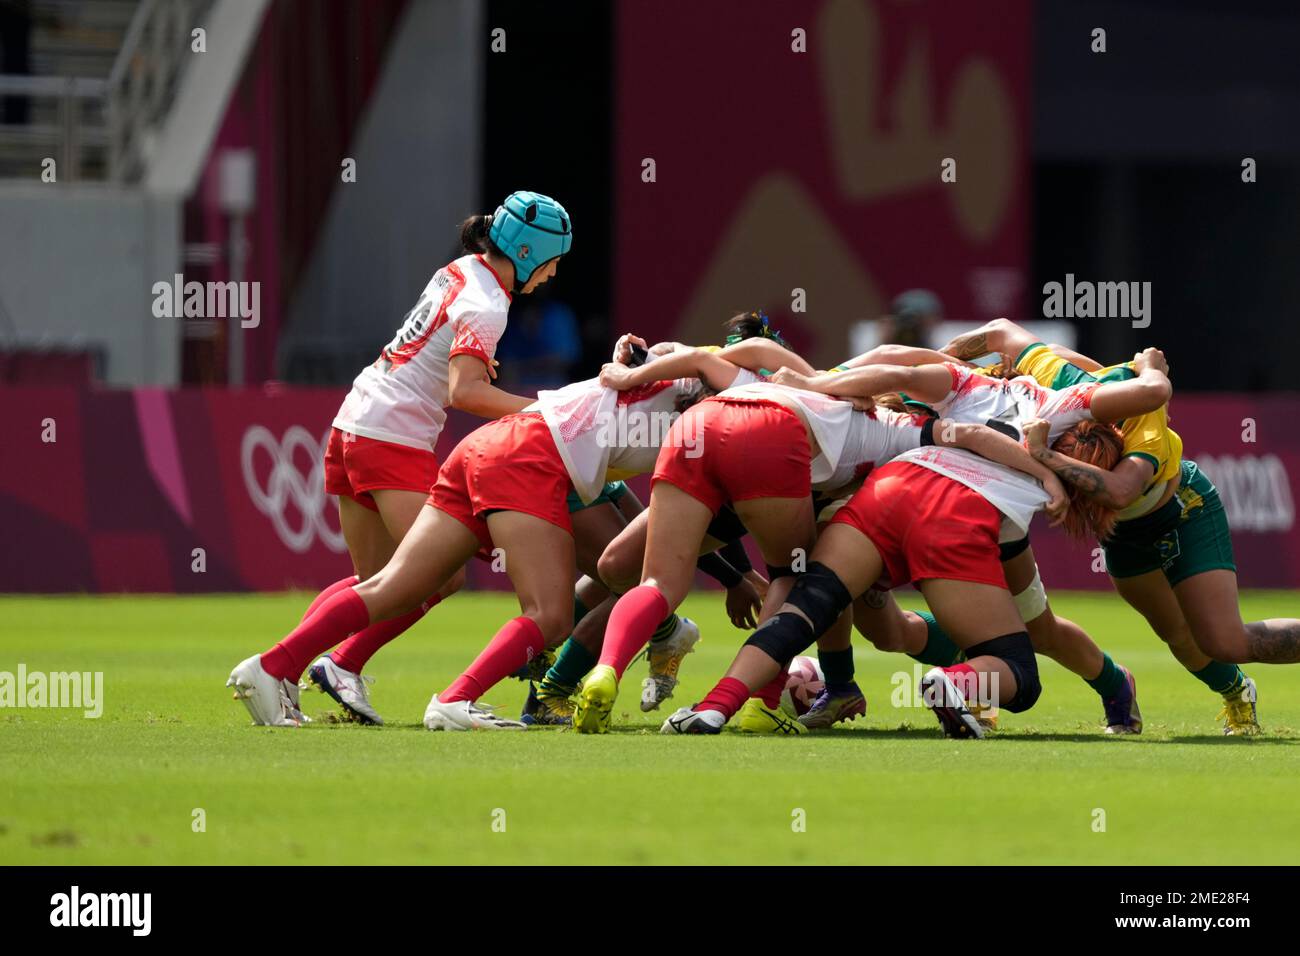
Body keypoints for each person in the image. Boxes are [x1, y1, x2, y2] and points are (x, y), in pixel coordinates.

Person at [575, 351, 1072, 735]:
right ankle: (759, 707)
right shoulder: (902, 431)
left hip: (701, 422)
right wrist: (1044, 475)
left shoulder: (802, 380)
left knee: (655, 580)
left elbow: (708, 356)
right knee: (794, 577)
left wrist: (627, 372)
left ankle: (605, 672)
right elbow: (965, 432)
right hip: (771, 437)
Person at [227, 191, 572, 726]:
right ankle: (279, 666)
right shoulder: (490, 304)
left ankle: (299, 671)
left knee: (376, 581)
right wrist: (548, 412)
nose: (552, 275)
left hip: (353, 423)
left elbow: (443, 351)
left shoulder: (462, 269)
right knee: (433, 578)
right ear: (527, 253)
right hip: (393, 437)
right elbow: (466, 392)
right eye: (552, 261)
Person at [945, 318, 1300, 734]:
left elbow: (1118, 492)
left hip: (1181, 511)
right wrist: (949, 362)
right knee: (1179, 639)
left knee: (1224, 641)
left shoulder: (1135, 412)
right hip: (1122, 534)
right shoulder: (1049, 378)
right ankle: (1239, 689)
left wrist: (1046, 456)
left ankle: (1235, 690)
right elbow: (1002, 331)